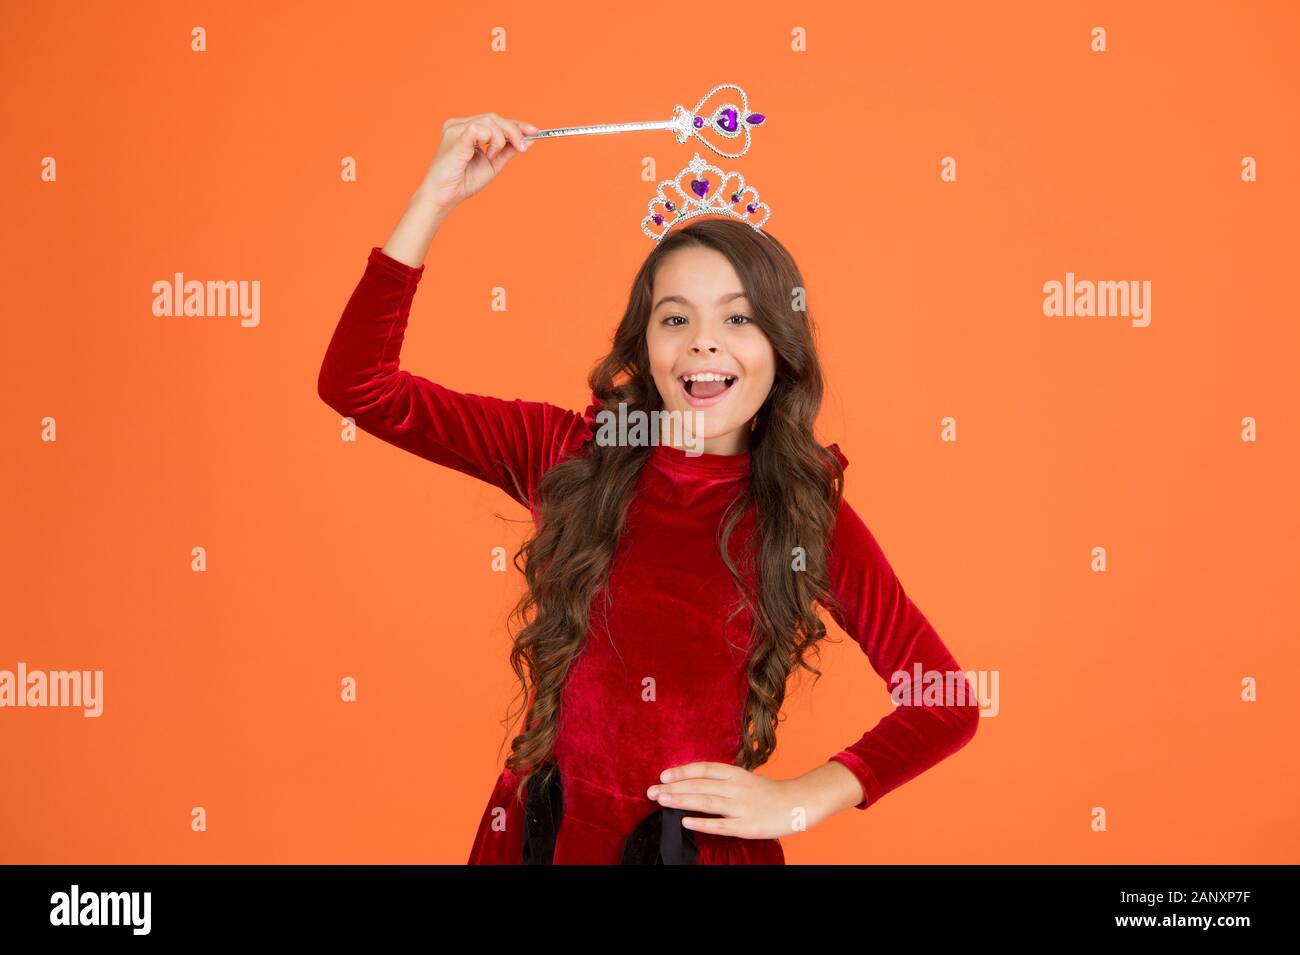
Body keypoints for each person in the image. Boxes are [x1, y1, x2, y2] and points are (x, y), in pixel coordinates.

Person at [316, 112, 980, 864]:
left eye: (739, 318)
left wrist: (803, 797)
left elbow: (945, 698)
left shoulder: (802, 515)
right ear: (646, 346)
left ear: (780, 350)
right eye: (676, 318)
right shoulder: (566, 451)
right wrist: (435, 196)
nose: (704, 340)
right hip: (539, 837)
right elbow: (359, 385)